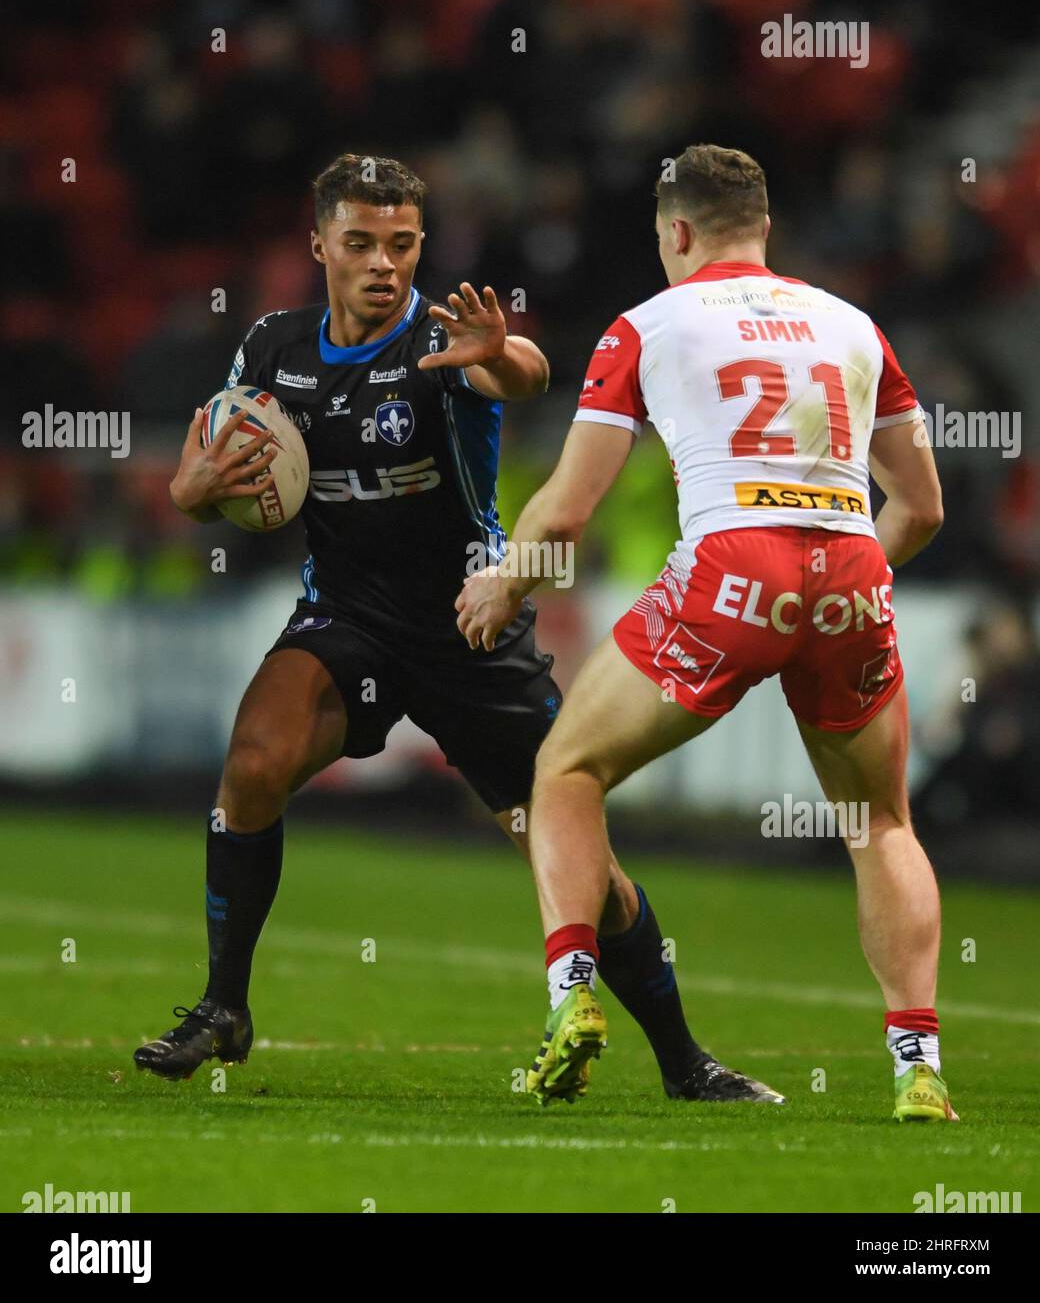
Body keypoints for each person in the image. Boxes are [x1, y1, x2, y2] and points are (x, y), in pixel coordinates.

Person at [134, 152, 772, 1104]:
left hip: (471, 629)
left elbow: (527, 374)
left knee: (575, 860)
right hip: (345, 620)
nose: (382, 264)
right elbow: (209, 483)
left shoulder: (444, 340)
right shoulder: (273, 348)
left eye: (401, 244)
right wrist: (190, 492)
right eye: (359, 244)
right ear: (320, 246)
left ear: (421, 245)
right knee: (254, 763)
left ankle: (687, 1061)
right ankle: (226, 1004)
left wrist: (501, 352)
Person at [456, 144, 950, 1122]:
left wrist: (500, 587)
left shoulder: (644, 324)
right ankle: (915, 1067)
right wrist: (835, 598)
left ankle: (570, 1000)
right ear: (759, 226)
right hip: (849, 568)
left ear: (675, 232)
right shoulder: (850, 323)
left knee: (565, 771)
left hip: (731, 568)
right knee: (879, 823)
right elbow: (921, 507)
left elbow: (564, 512)